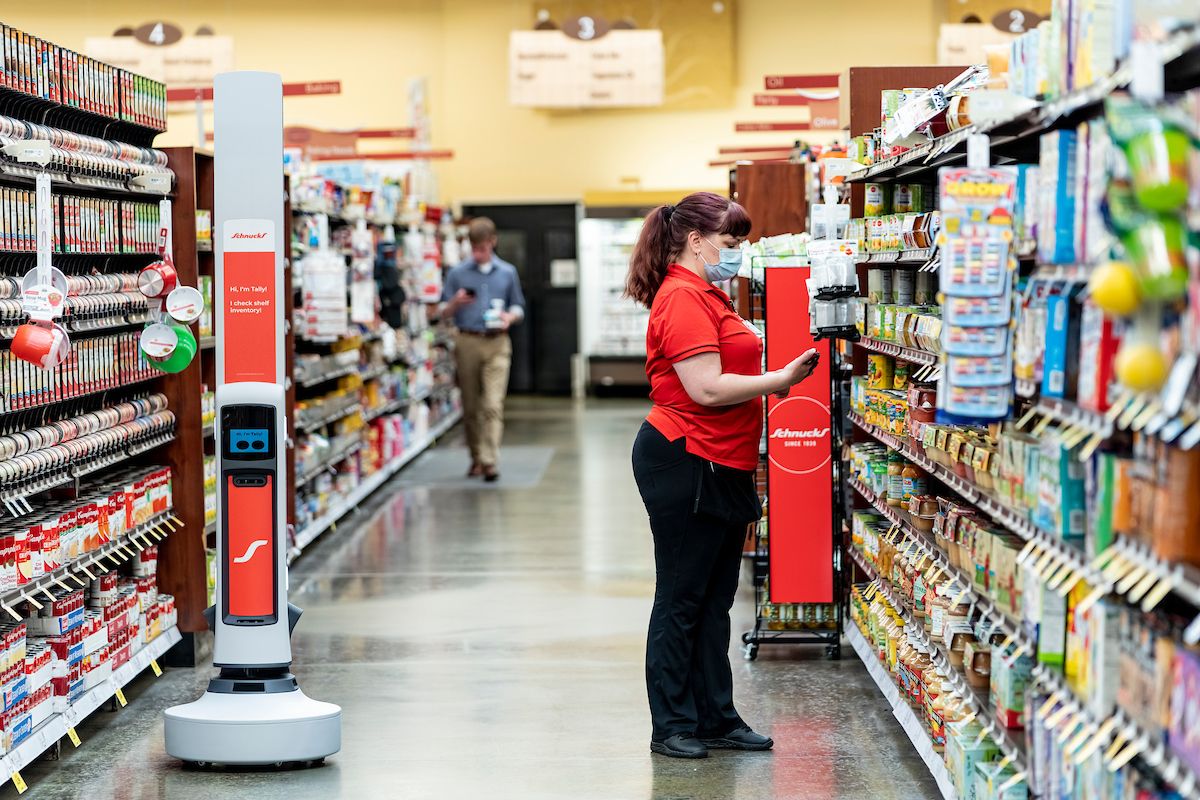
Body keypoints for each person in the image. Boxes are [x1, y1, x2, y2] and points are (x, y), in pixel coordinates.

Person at [625, 191, 820, 759]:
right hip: (686, 456)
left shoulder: (709, 294)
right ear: (696, 241)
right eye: (731, 242)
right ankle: (672, 725)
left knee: (714, 599)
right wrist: (780, 379)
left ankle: (715, 716)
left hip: (723, 459)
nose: (737, 252)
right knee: (682, 596)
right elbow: (706, 388)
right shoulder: (682, 297)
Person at [441, 217, 526, 482]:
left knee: (492, 403)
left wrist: (510, 317)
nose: (478, 254)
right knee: (470, 406)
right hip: (467, 341)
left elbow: (518, 306)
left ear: (493, 242)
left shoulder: (507, 272)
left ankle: (490, 461)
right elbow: (442, 312)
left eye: (483, 248)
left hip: (497, 343)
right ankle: (476, 457)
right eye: (474, 248)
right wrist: (455, 303)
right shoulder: (457, 273)